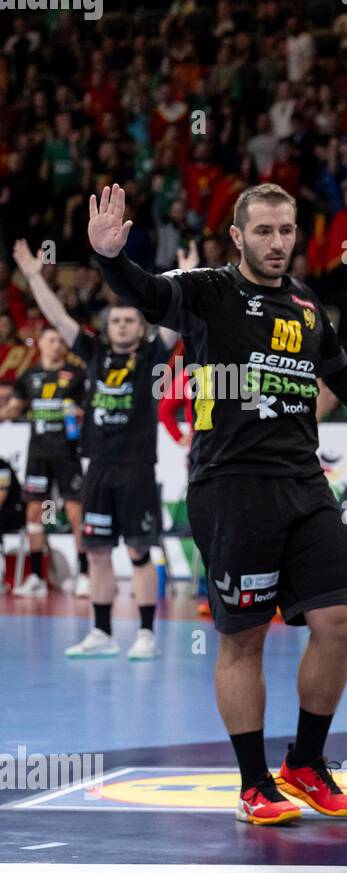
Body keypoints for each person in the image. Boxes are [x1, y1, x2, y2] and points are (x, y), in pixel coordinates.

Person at [86, 181, 347, 825]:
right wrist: (112, 259)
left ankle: (305, 764)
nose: (278, 243)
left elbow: (342, 374)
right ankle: (255, 782)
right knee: (244, 639)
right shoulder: (206, 291)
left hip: (304, 485)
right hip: (230, 488)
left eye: (286, 231)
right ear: (238, 237)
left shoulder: (308, 305)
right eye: (264, 231)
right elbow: (147, 294)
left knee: (341, 619)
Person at [12, 237, 188, 657]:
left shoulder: (151, 358)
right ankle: (103, 633)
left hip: (137, 467)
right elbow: (57, 315)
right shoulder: (91, 354)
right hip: (98, 468)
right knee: (98, 552)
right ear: (107, 327)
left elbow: (175, 318)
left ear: (140, 327)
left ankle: (145, 634)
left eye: (130, 320)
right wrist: (35, 277)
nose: (123, 326)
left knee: (139, 552)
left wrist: (185, 274)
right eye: (117, 321)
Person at [2, 325, 86, 598]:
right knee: (34, 513)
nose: (57, 345)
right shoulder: (30, 375)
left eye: (60, 341)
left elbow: (88, 407)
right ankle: (36, 576)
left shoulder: (76, 374)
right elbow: (14, 407)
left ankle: (83, 574)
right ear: (40, 343)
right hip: (37, 455)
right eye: (51, 339)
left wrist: (79, 412)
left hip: (67, 453)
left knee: (75, 513)